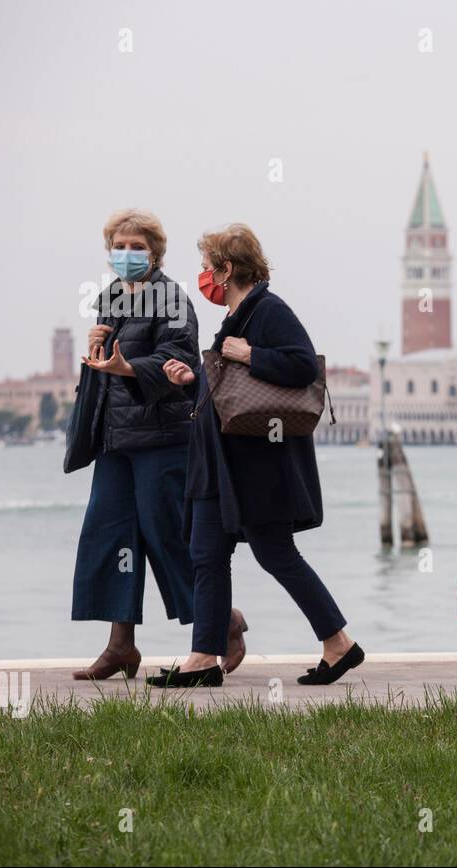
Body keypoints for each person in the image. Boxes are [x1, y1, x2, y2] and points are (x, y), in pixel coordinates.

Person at [147, 224, 361, 688]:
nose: (202, 277)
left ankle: (339, 643)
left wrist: (251, 353)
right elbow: (231, 393)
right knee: (205, 553)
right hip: (219, 463)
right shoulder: (237, 315)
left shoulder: (267, 310)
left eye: (206, 268)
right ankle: (204, 658)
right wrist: (191, 382)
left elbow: (303, 364)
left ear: (226, 269)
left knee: (276, 553)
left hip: (256, 467)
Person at [70, 209, 246, 680]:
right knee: (109, 538)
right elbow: (107, 366)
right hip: (114, 440)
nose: (127, 254)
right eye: (120, 246)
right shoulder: (110, 298)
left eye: (137, 246)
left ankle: (224, 622)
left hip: (162, 439)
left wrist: (127, 368)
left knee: (169, 535)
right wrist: (97, 354)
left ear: (155, 252)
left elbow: (179, 358)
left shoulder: (170, 297)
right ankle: (120, 645)